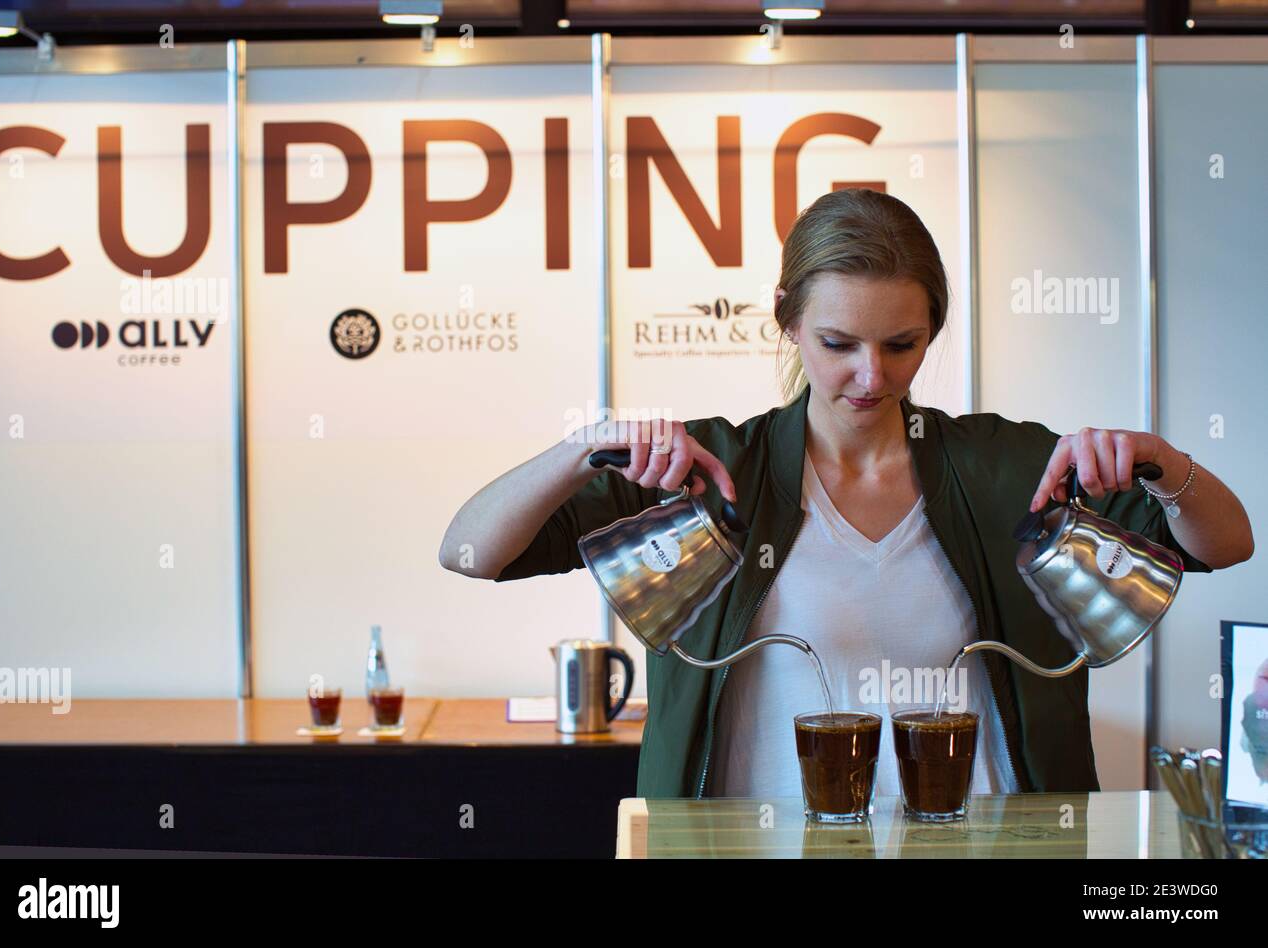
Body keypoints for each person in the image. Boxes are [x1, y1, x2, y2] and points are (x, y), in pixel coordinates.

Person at [439, 188, 1254, 800]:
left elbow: (1224, 543)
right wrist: (587, 447)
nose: (871, 376)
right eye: (838, 344)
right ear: (786, 322)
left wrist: (1161, 462)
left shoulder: (1004, 464)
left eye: (901, 344)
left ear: (932, 328)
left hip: (976, 849)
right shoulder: (712, 468)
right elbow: (470, 552)